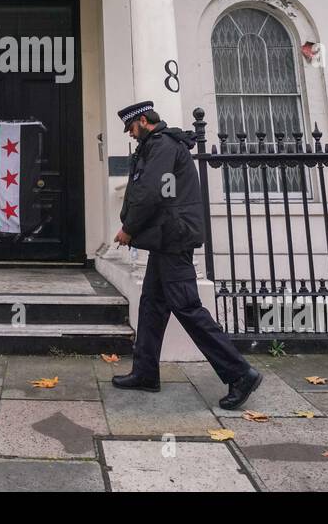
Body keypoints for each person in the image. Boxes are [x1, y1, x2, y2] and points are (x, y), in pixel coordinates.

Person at [111, 100, 262, 411]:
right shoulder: (156, 145)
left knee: (187, 307)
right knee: (152, 305)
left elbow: (151, 191)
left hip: (174, 239)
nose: (129, 133)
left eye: (130, 127)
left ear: (142, 120)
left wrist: (129, 227)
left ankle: (240, 373)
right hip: (165, 239)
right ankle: (145, 372)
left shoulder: (162, 145)